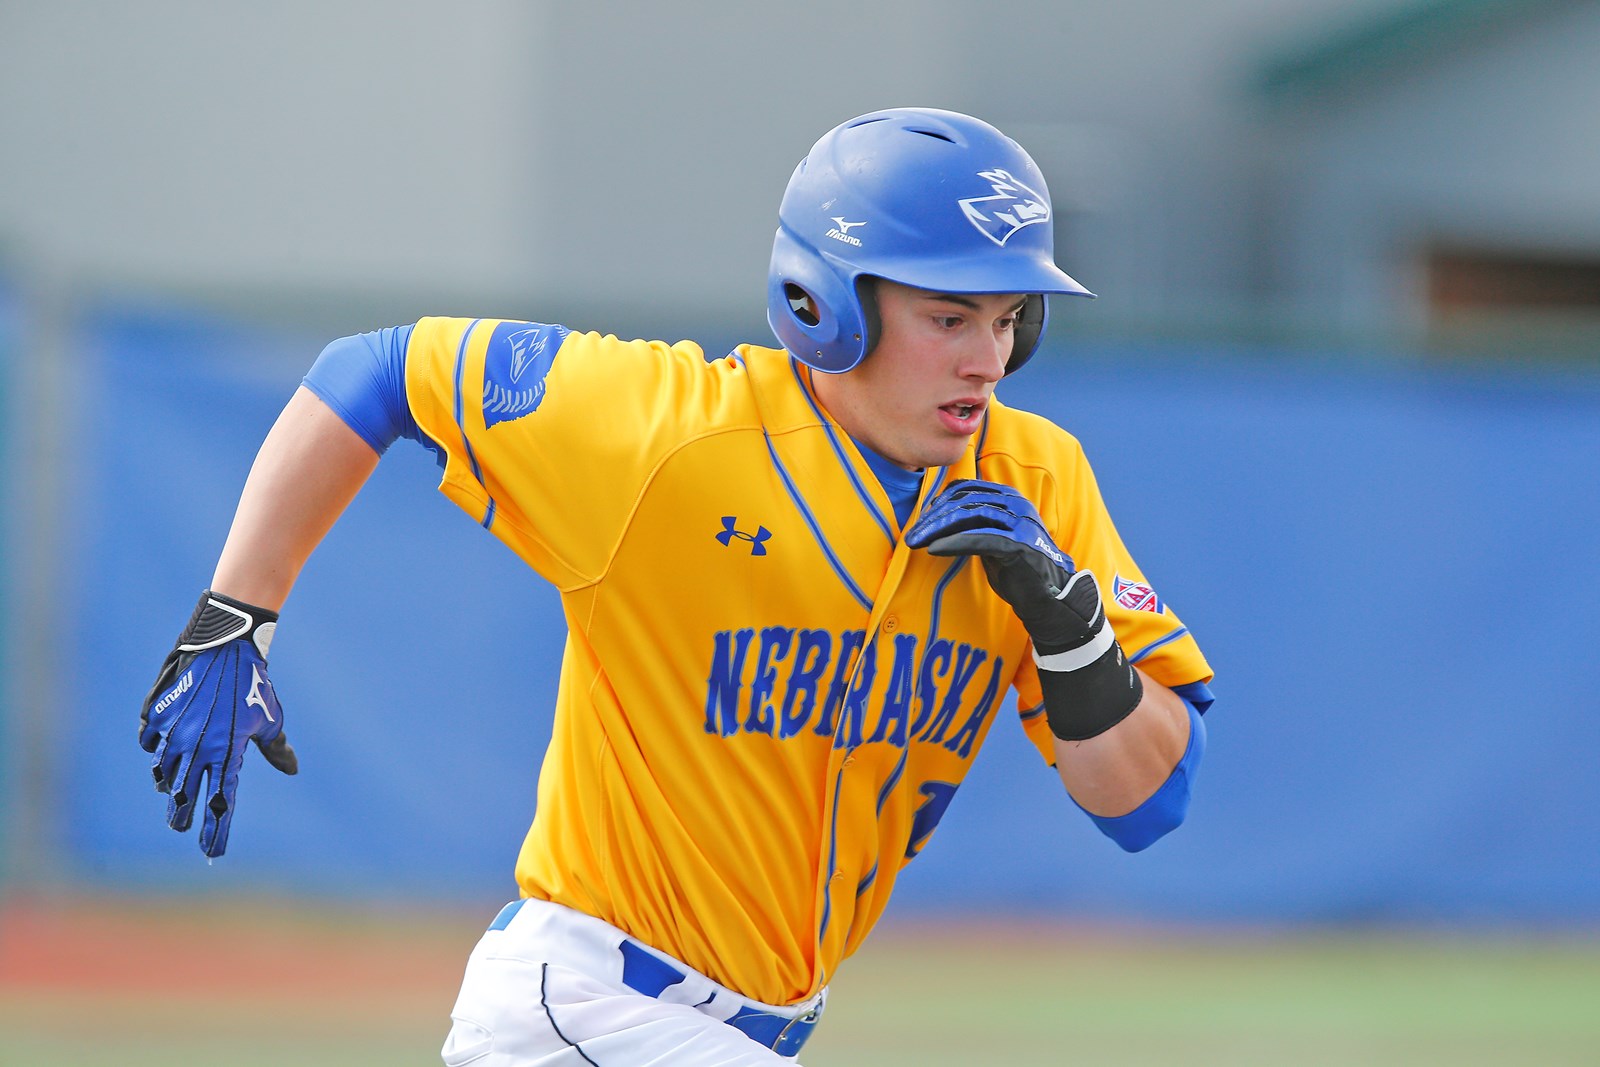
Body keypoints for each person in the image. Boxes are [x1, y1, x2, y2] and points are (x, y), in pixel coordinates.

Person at [140, 107, 1215, 1065]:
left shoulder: (1035, 481)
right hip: (591, 1007)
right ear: (822, 302)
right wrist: (239, 612)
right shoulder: (667, 433)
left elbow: (1143, 800)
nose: (986, 356)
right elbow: (376, 369)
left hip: (751, 1024)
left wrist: (1073, 640)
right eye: (949, 317)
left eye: (1009, 318)